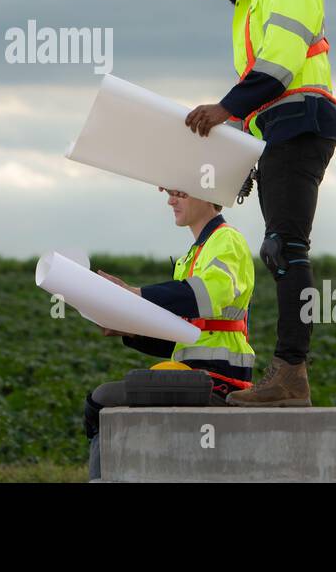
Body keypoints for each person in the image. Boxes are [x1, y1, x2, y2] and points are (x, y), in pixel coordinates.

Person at [183, 0, 336, 408]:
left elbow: (279, 62)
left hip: (300, 119)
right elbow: (261, 90)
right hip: (278, 129)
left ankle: (291, 377)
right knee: (282, 249)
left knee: (285, 249)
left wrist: (225, 108)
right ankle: (290, 376)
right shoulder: (247, 9)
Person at [82, 187, 255, 480]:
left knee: (101, 399)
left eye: (180, 193)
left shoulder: (228, 240)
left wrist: (135, 294)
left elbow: (207, 294)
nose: (170, 200)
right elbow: (184, 335)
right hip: (192, 376)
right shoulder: (193, 254)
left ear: (207, 193)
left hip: (219, 383)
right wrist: (129, 329)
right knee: (101, 400)